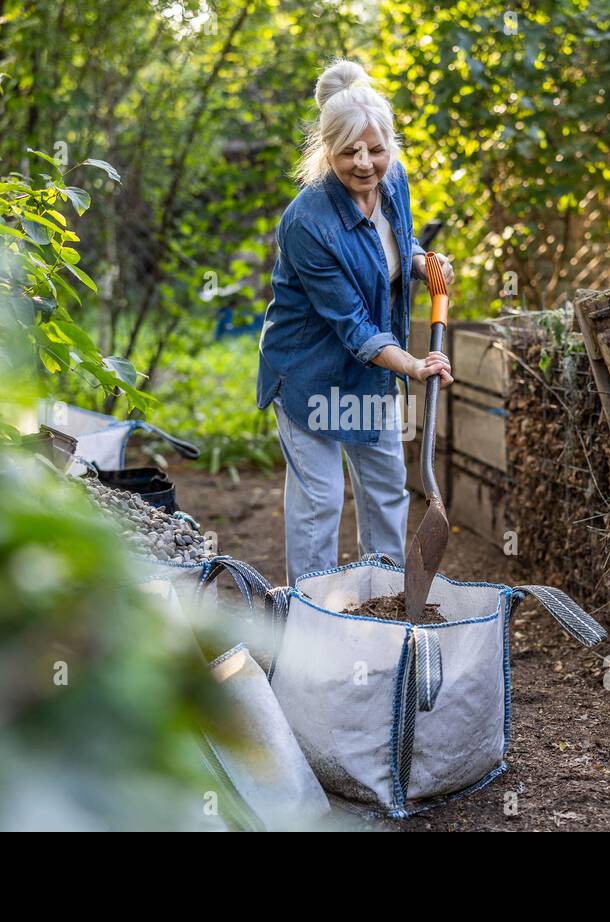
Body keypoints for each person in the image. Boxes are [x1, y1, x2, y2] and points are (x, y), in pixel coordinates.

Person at [256, 58, 454, 586]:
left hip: (367, 370)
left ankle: (385, 601)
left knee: (386, 486)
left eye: (375, 149)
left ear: (391, 145)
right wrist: (414, 365)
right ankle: (315, 619)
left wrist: (421, 263)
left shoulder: (394, 183)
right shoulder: (306, 222)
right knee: (321, 501)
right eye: (348, 152)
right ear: (328, 151)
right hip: (308, 373)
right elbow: (354, 326)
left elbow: (397, 245)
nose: (364, 163)